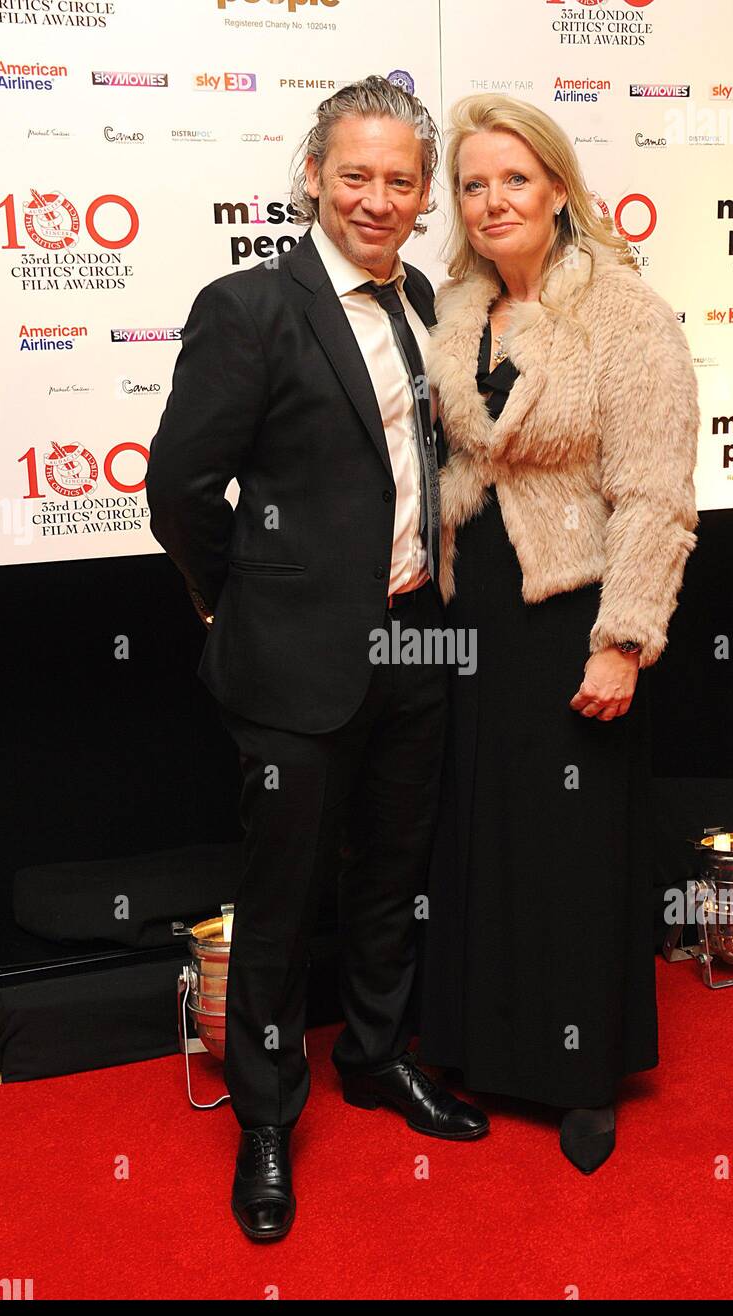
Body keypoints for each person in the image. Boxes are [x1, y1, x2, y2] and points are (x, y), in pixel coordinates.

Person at [146, 75, 489, 1244]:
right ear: (312, 176)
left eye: (402, 181)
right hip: (293, 665)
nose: (378, 200)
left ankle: (379, 1059)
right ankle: (266, 1120)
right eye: (356, 176)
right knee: (283, 909)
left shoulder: (429, 302)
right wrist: (225, 602)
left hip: (413, 640)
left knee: (392, 876)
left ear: (423, 193)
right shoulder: (249, 306)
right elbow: (180, 488)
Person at [418, 94, 700, 1174]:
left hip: (573, 613)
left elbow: (656, 493)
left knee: (574, 848)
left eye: (514, 180)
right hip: (467, 612)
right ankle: (479, 1045)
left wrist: (623, 638)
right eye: (474, 184)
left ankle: (581, 1078)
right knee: (482, 828)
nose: (493, 201)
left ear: (557, 188)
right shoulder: (453, 308)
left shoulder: (621, 310)